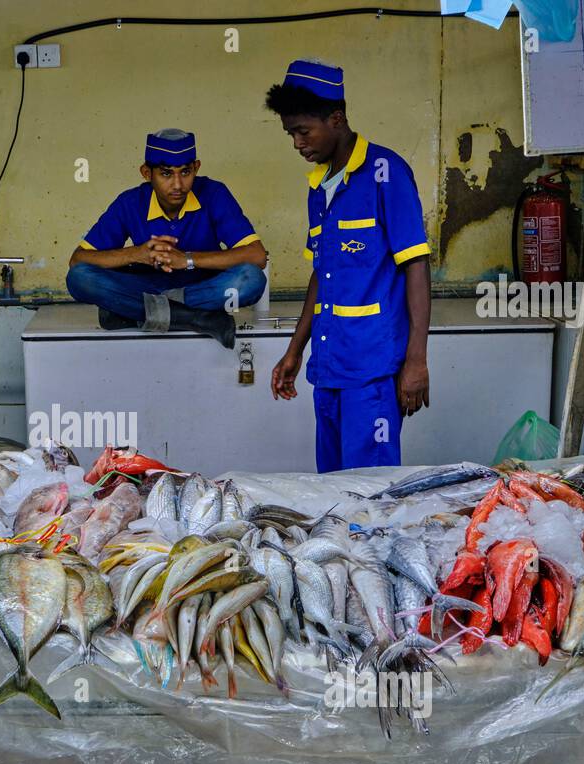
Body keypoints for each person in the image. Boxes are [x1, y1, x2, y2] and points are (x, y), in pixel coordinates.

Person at [266, 60, 432, 472]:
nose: (297, 143)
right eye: (290, 134)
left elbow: (416, 265)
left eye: (303, 131)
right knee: (333, 487)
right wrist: (294, 351)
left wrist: (416, 360)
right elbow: (321, 276)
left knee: (370, 491)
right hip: (329, 367)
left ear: (336, 119)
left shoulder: (386, 172)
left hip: (372, 369)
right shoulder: (318, 186)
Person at [65, 129, 268, 349]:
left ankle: (135, 313)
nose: (178, 184)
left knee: (252, 279)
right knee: (79, 278)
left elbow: (257, 256)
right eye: (166, 174)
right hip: (147, 287)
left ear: (196, 168)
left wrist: (187, 260)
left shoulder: (214, 193)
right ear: (146, 173)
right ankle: (194, 318)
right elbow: (79, 260)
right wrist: (137, 254)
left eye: (186, 172)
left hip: (202, 287)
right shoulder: (130, 202)